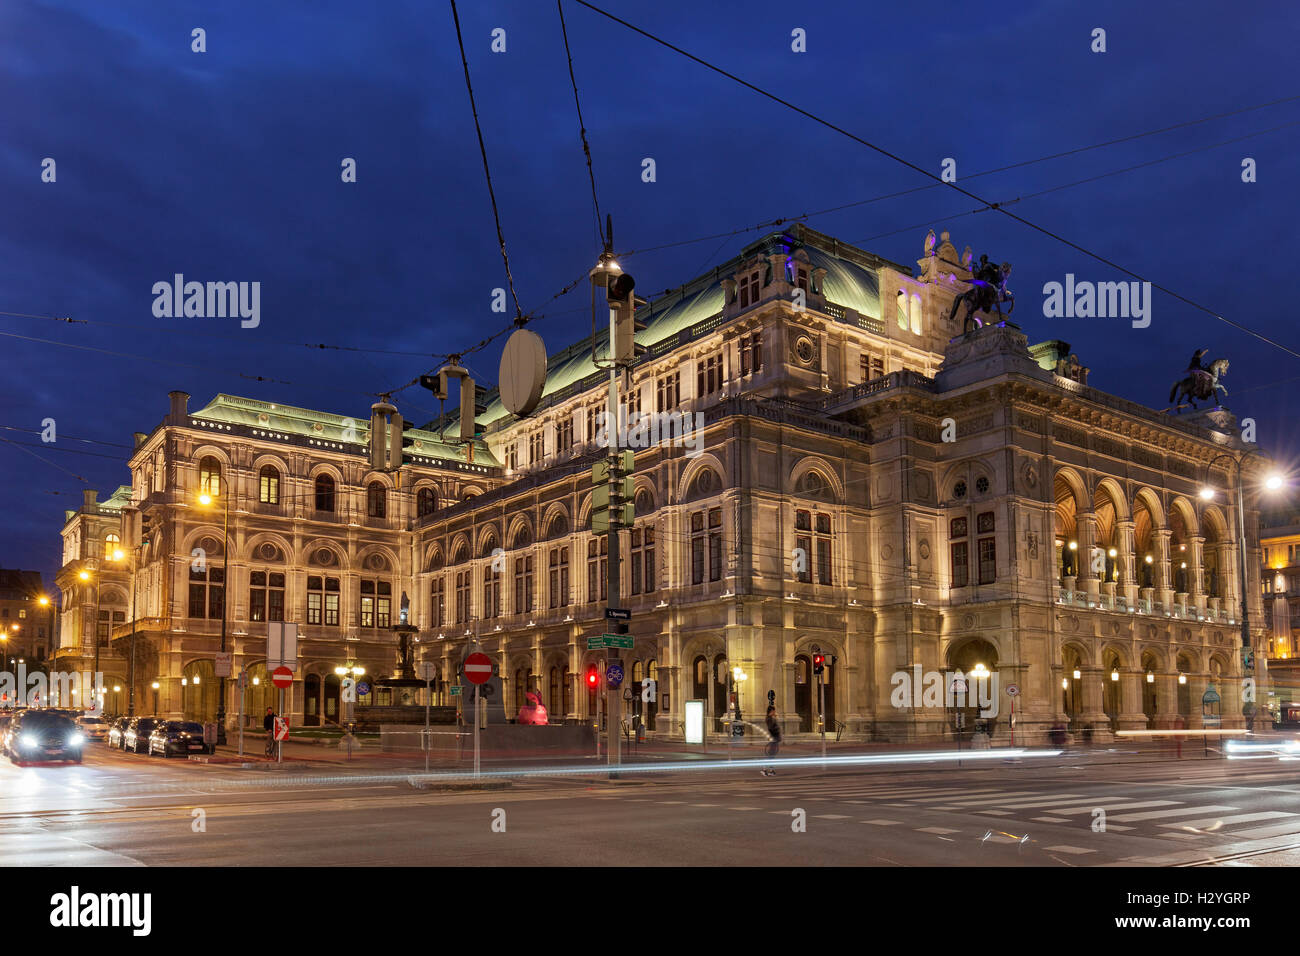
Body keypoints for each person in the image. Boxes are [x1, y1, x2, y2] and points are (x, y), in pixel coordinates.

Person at [762, 705, 782, 776]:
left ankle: (771, 770)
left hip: (774, 738)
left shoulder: (771, 718)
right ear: (771, 711)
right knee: (770, 755)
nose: (775, 712)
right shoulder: (769, 718)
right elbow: (771, 728)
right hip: (773, 738)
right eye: (774, 711)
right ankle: (764, 769)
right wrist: (775, 736)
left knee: (772, 755)